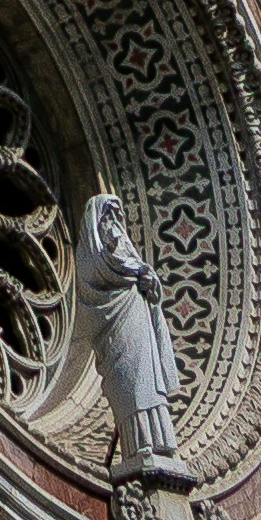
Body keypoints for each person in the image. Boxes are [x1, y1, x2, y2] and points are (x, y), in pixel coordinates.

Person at [78, 188, 186, 476]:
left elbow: (147, 285)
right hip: (116, 332)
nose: (113, 221)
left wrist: (149, 282)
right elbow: (98, 276)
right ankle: (138, 447)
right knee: (132, 388)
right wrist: (129, 270)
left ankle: (161, 443)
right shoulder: (89, 255)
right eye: (107, 215)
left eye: (117, 215)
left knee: (149, 386)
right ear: (95, 221)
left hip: (139, 323)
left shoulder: (126, 253)